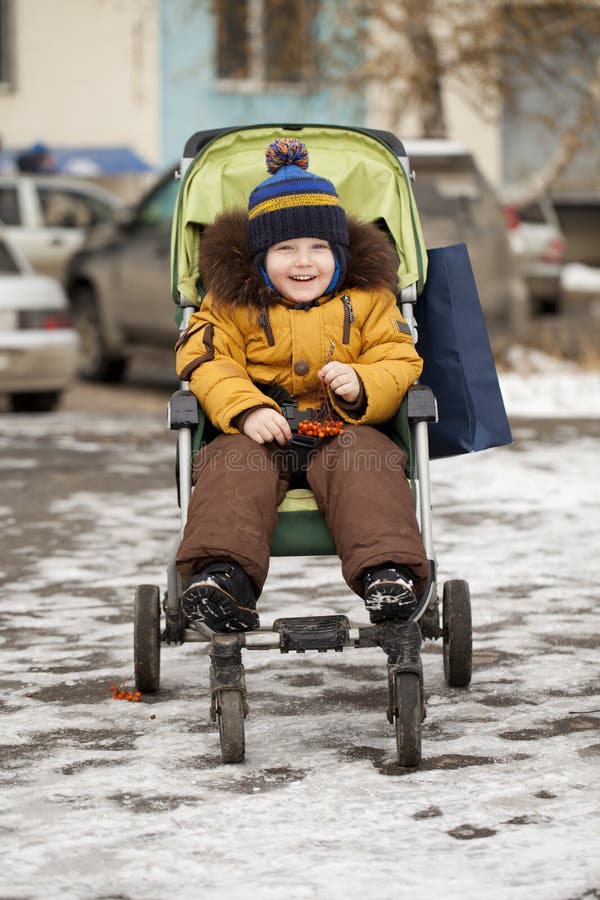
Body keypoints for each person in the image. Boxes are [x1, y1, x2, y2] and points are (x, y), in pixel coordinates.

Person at [175, 138, 429, 633]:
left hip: (341, 431)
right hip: (257, 434)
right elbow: (204, 358)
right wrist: (246, 407)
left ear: (339, 252)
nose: (303, 261)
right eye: (284, 249)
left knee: (367, 461)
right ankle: (224, 578)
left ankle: (388, 572)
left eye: (318, 247)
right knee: (231, 463)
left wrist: (362, 383)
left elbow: (399, 358)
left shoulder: (370, 301)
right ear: (257, 258)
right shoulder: (230, 305)